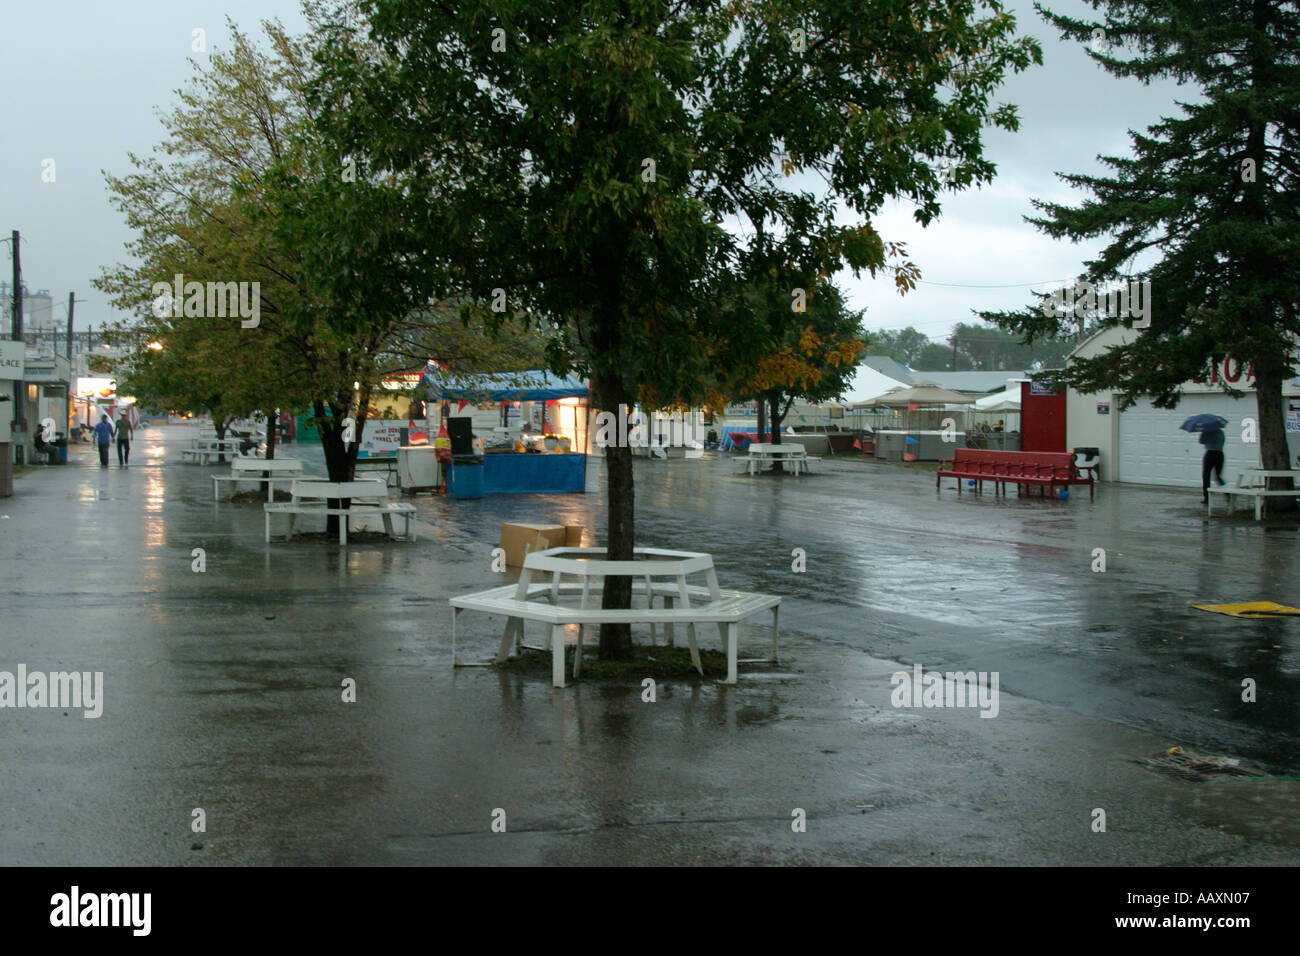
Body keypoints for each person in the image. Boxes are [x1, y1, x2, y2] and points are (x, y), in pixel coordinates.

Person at [1199, 426, 1226, 503]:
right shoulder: (1220, 432)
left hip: (1210, 454)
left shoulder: (1206, 432)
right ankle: (1227, 493)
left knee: (1206, 476)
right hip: (1219, 454)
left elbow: (1201, 441)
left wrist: (1202, 434)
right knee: (1218, 476)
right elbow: (1223, 442)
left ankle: (1206, 497)